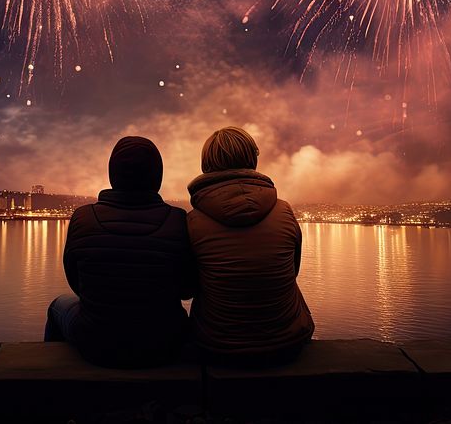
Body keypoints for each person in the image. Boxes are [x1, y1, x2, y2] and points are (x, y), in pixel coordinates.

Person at [44, 136, 195, 367]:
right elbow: (187, 290)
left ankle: (49, 375)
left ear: (113, 173)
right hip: (163, 345)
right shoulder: (177, 220)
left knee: (58, 305)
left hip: (96, 344)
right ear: (157, 176)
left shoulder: (83, 218)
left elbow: (78, 285)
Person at [186, 126, 314, 365]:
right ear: (253, 159)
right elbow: (292, 271)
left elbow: (189, 287)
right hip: (287, 346)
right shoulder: (284, 211)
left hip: (218, 348)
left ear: (206, 165)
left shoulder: (193, 221)